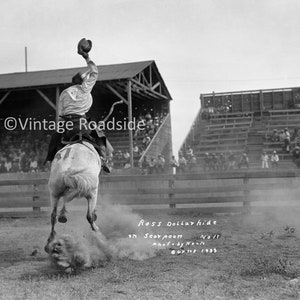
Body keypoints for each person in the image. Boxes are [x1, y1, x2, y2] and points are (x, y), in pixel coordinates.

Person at [45, 40, 111, 173]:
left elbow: (60, 114)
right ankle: (103, 158)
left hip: (68, 126)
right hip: (82, 123)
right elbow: (95, 72)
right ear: (83, 81)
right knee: (99, 134)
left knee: (55, 136)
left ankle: (49, 160)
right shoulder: (85, 88)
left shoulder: (64, 93)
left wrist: (62, 125)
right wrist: (86, 57)